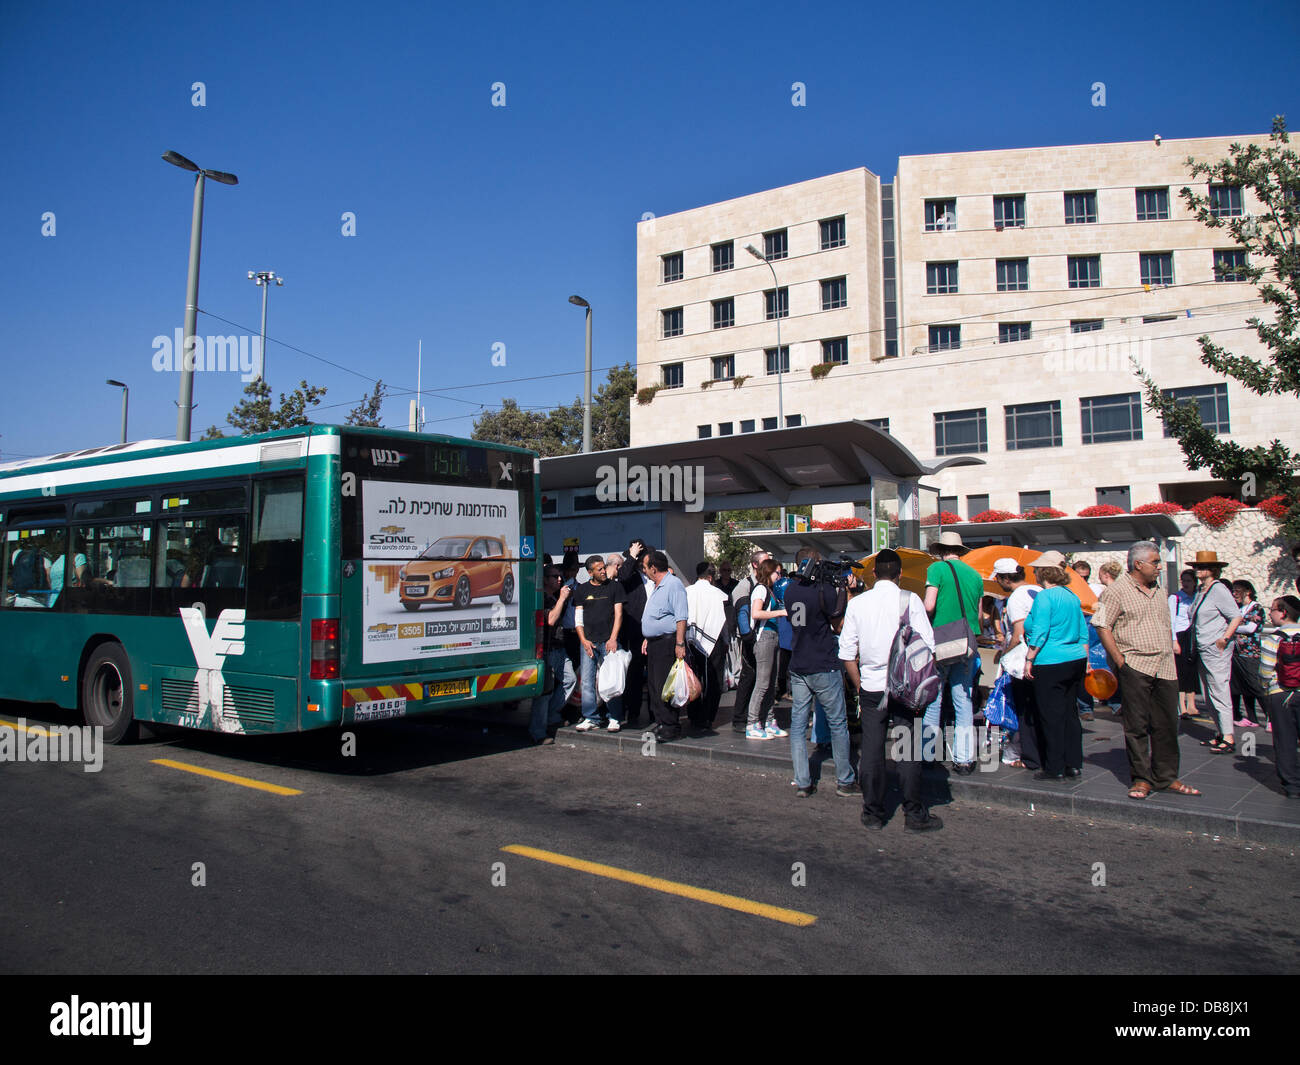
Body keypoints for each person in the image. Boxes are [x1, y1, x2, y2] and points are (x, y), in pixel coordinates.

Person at [840, 548, 942, 832]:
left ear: (874, 574)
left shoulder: (858, 604)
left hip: (871, 686)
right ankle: (913, 813)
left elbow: (847, 653)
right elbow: (929, 646)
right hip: (906, 688)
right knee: (907, 749)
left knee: (872, 750)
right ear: (899, 574)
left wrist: (859, 685)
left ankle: (873, 812)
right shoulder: (910, 600)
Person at [1093, 541, 1200, 800]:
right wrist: (1120, 660)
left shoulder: (1159, 589)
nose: (1160, 567)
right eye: (1155, 562)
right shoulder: (1116, 591)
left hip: (1164, 666)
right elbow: (1102, 625)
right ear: (1138, 564)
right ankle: (1141, 779)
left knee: (1166, 725)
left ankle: (1166, 777)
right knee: (1137, 725)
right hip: (1135, 665)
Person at [783, 550, 856, 797]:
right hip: (823, 663)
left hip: (799, 663)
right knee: (837, 723)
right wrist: (845, 592)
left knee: (798, 725)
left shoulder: (790, 590)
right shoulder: (823, 591)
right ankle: (844, 780)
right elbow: (839, 624)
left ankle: (802, 781)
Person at [1023, 555, 1089, 781]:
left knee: (1050, 716)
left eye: (1036, 570)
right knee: (1070, 713)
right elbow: (1082, 630)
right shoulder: (1071, 596)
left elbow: (1040, 630)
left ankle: (1054, 766)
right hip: (1075, 658)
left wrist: (1029, 657)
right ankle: (1073, 762)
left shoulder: (1045, 597)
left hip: (1051, 659)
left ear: (1043, 572)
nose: (1034, 574)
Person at [922, 530, 984, 773]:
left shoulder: (936, 570)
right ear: (960, 551)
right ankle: (964, 759)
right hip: (967, 643)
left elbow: (929, 605)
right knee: (963, 701)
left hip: (941, 642)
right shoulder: (975, 575)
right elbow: (979, 616)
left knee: (934, 699)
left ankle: (928, 755)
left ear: (939, 551)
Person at [1189, 551, 1242, 753]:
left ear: (1212, 570)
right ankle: (1220, 731)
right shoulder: (1202, 590)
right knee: (1208, 692)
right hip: (1203, 647)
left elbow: (1235, 616)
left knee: (1219, 689)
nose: (1197, 570)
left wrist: (1225, 637)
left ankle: (1228, 735)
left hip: (1215, 647)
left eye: (1201, 567)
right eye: (1196, 567)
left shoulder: (1218, 589)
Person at [992, 558, 1043, 770]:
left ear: (1005, 578)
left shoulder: (1016, 598)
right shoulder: (1038, 590)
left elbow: (1018, 634)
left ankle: (1030, 756)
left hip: (1024, 660)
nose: (996, 582)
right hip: (1044, 656)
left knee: (1024, 708)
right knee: (1040, 708)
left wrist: (1004, 653)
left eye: (997, 578)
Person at [640, 550, 689, 742]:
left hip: (667, 643)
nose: (644, 570)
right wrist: (648, 636)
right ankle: (661, 722)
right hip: (654, 643)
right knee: (654, 685)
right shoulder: (657, 586)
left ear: (653, 568)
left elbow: (681, 616)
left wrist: (679, 643)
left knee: (664, 687)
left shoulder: (673, 584)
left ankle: (670, 726)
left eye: (645, 567)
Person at [573, 555, 626, 733]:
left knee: (612, 681)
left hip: (609, 642)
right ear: (590, 572)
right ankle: (591, 717)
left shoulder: (615, 587)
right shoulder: (581, 590)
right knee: (587, 682)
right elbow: (578, 619)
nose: (604, 571)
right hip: (588, 643)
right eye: (599, 569)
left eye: (604, 568)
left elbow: (618, 614)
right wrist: (583, 641)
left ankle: (615, 717)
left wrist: (613, 638)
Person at [529, 566, 576, 745]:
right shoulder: (542, 599)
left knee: (570, 679)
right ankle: (538, 731)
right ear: (545, 579)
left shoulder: (555, 597)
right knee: (545, 692)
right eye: (554, 576)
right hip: (547, 648)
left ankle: (551, 714)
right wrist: (562, 599)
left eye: (560, 576)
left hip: (559, 647)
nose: (559, 579)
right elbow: (550, 620)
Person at [1259, 595, 1300, 797]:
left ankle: (1292, 786)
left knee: (1285, 741)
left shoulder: (1273, 638)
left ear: (1283, 613)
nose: (1270, 613)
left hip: (1280, 694)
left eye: (1273, 609)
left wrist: (1267, 686)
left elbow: (1265, 671)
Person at [745, 559, 788, 739]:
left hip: (773, 636)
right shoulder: (761, 589)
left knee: (771, 682)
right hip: (764, 637)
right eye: (777, 573)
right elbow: (756, 613)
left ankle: (769, 720)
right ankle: (752, 722)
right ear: (769, 572)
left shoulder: (771, 591)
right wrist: (780, 613)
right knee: (763, 683)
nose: (779, 576)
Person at [729, 549, 771, 733]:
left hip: (762, 637)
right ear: (755, 565)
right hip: (749, 639)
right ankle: (740, 718)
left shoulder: (766, 585)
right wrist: (748, 637)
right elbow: (742, 614)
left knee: (761, 678)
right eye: (765, 562)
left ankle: (756, 715)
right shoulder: (745, 586)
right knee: (749, 676)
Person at [685, 561, 730, 730]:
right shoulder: (719, 594)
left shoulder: (687, 591)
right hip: (714, 641)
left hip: (691, 640)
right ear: (711, 577)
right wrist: (726, 641)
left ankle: (694, 714)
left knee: (693, 677)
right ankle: (708, 717)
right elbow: (723, 621)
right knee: (712, 681)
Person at [616, 540, 651, 726]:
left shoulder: (651, 575)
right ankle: (633, 712)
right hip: (635, 630)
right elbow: (622, 576)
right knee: (634, 673)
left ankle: (655, 712)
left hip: (652, 631)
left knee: (653, 674)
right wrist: (631, 555)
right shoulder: (629, 576)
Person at [1230, 579, 1268, 728]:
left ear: (1248, 591)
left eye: (1238, 591)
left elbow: (1251, 628)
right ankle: (1251, 717)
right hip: (1237, 652)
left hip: (1250, 653)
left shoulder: (1256, 608)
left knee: (1255, 685)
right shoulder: (1238, 609)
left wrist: (1233, 627)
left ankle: (1270, 717)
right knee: (1241, 686)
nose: (1235, 594)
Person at [1169, 569, 1199, 718]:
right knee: (1180, 670)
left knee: (1191, 670)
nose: (1186, 584)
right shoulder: (1176, 598)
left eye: (1189, 581)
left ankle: (1191, 704)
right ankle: (1181, 705)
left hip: (1192, 635)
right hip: (1180, 635)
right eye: (1184, 581)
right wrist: (1174, 641)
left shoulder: (1197, 598)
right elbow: (1171, 622)